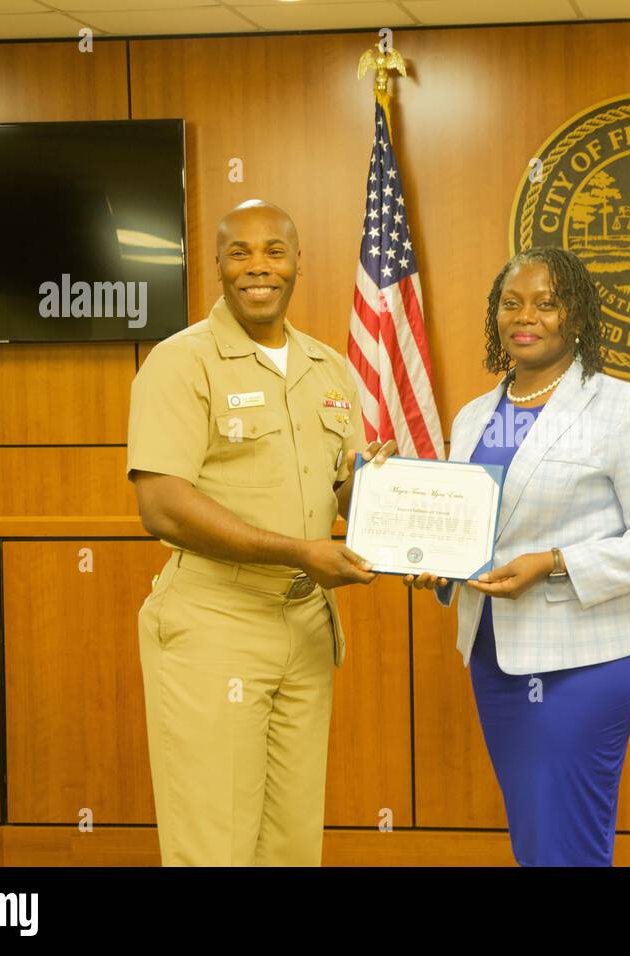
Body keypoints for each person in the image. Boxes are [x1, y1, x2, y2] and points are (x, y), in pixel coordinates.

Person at [126, 199, 395, 866]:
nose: (258, 267)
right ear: (216, 264)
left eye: (274, 251)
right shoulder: (181, 362)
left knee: (291, 845)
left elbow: (340, 490)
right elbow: (162, 505)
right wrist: (300, 551)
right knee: (215, 845)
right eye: (239, 252)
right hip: (216, 623)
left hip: (305, 625)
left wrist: (382, 492)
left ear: (298, 262)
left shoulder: (328, 368)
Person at [407, 246, 630, 866]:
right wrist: (435, 565)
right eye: (512, 303)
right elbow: (469, 530)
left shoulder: (624, 407)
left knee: (567, 833)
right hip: (493, 651)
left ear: (577, 315)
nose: (526, 316)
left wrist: (554, 561)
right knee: (537, 831)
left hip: (588, 658)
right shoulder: (474, 415)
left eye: (546, 303)